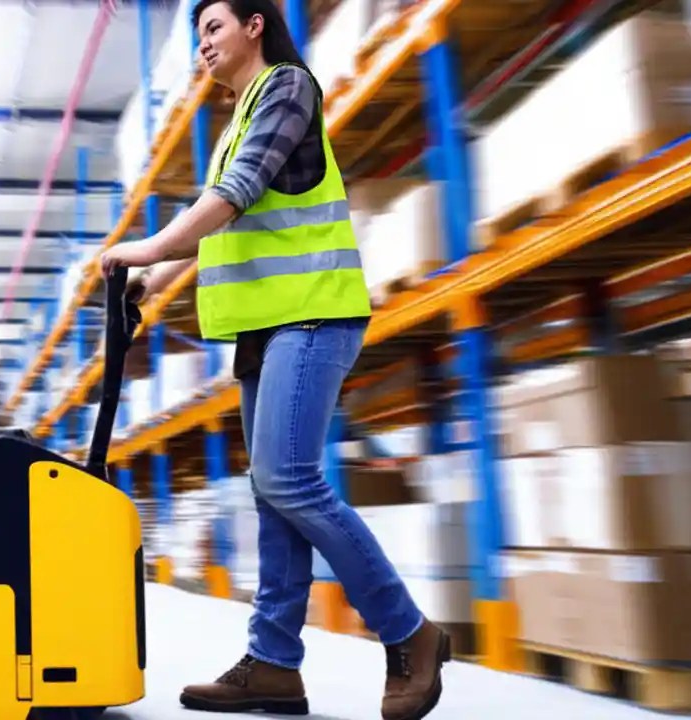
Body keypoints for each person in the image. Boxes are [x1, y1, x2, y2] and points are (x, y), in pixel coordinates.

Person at [100, 1, 450, 718]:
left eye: (214, 28)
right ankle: (274, 663)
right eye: (197, 35)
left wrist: (143, 245)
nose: (203, 45)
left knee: (289, 480)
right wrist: (151, 280)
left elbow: (233, 198)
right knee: (272, 493)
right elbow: (218, 227)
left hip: (313, 314)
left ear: (256, 25)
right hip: (270, 327)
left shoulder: (287, 87)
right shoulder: (234, 125)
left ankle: (409, 631)